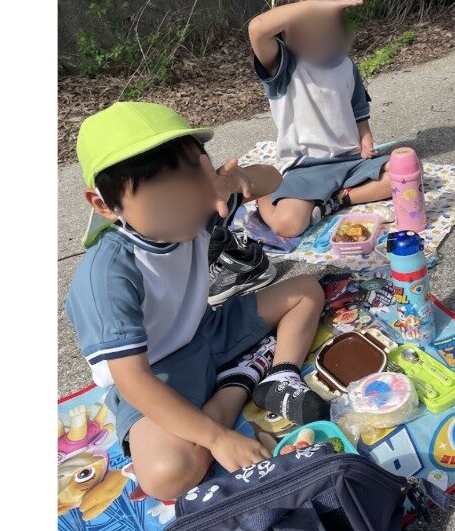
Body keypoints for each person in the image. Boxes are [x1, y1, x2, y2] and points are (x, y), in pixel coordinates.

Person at [65, 102, 327, 500]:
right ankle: (240, 380)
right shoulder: (107, 274)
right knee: (166, 475)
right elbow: (133, 380)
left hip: (207, 330)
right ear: (104, 205)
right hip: (159, 373)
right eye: (163, 203)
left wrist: (234, 180)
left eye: (193, 186)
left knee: (306, 290)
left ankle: (280, 374)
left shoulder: (199, 207)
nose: (186, 209)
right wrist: (218, 438)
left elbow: (272, 178)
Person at [248, 0, 392, 239]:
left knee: (405, 172)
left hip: (350, 161)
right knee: (288, 226)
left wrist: (365, 136)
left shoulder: (344, 63)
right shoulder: (281, 63)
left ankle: (336, 200)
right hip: (306, 168)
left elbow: (358, 107)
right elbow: (257, 30)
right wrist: (312, 7)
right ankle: (265, 195)